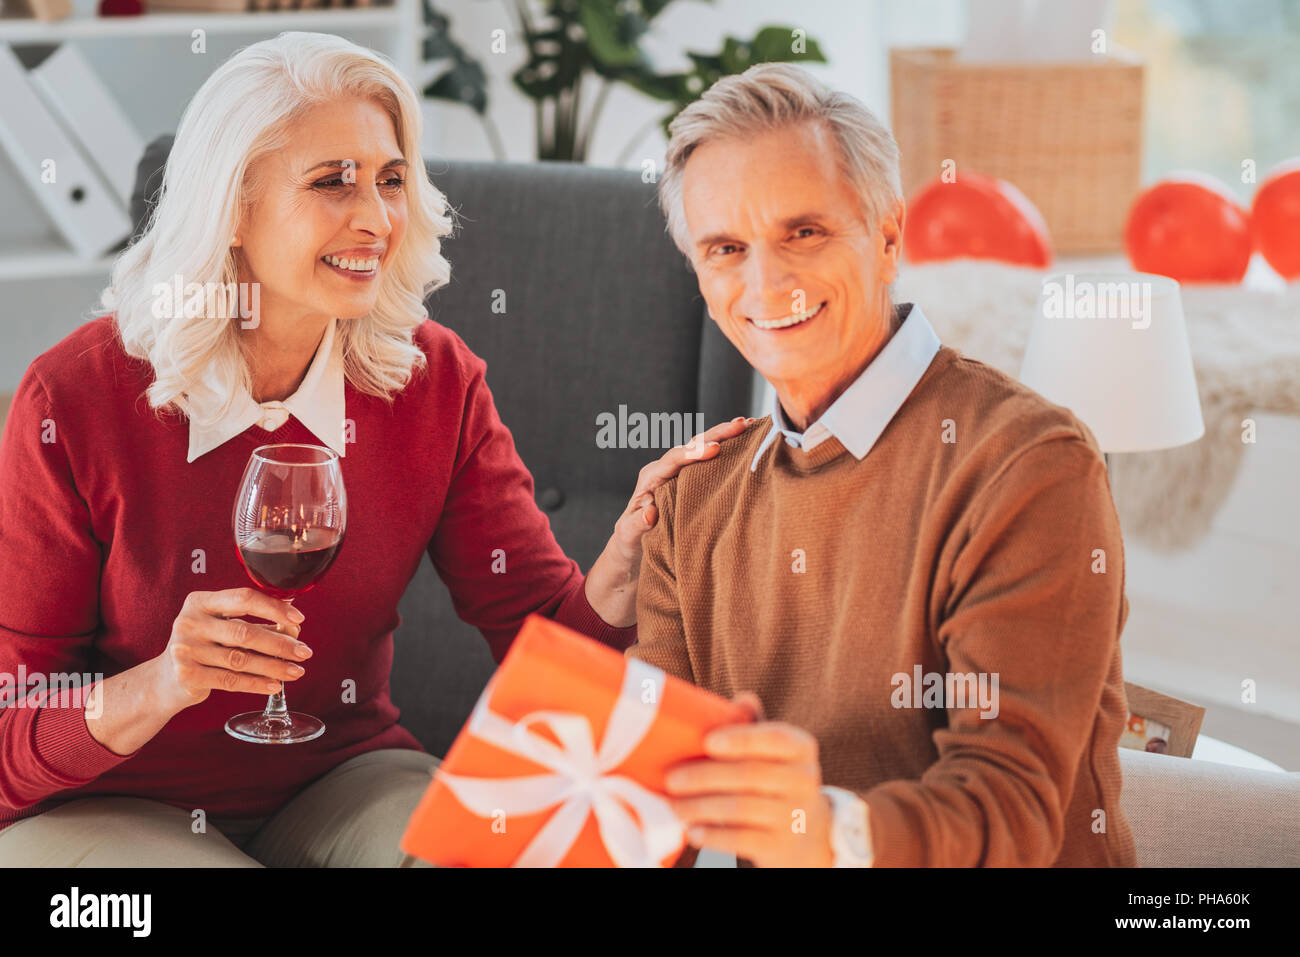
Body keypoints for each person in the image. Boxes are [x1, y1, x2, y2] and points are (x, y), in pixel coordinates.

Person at [0, 32, 746, 867]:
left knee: (485, 854)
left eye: (391, 180)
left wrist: (618, 569)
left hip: (342, 775)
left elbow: (540, 639)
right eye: (331, 183)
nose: (377, 217)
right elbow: (11, 729)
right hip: (112, 801)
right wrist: (163, 682)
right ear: (232, 208)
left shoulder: (430, 383)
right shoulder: (72, 399)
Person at [629, 63, 1139, 867]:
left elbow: (1011, 814)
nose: (766, 282)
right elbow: (648, 795)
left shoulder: (1028, 466)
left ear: (889, 235)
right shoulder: (691, 497)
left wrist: (824, 829)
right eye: (725, 247)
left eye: (805, 231)